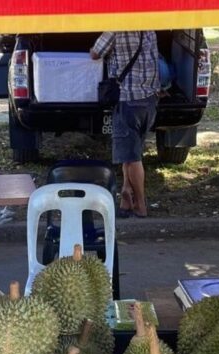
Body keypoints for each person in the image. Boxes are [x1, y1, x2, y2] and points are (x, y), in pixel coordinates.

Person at [90, 31, 162, 218]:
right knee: (131, 152)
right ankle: (126, 196)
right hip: (150, 100)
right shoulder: (150, 29)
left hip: (128, 100)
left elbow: (95, 53)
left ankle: (141, 205)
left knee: (132, 158)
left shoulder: (116, 28)